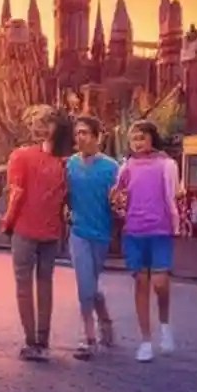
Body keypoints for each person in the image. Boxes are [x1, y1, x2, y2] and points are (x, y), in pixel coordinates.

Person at [1, 106, 73, 362]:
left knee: (24, 285)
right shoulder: (65, 162)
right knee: (45, 283)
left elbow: (16, 194)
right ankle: (43, 340)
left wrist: (7, 223)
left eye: (42, 122)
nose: (37, 126)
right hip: (51, 231)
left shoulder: (20, 156)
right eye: (34, 122)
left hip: (25, 229)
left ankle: (31, 341)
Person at [111, 119, 181, 363]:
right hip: (134, 232)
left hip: (160, 231)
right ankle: (145, 341)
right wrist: (117, 204)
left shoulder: (166, 164)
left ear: (152, 138)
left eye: (142, 137)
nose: (138, 143)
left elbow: (174, 193)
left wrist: (177, 221)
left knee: (160, 284)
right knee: (141, 283)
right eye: (134, 139)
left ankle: (165, 326)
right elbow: (116, 194)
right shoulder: (126, 167)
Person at [66, 115, 119, 360]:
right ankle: (88, 338)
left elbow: (120, 201)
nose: (80, 137)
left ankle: (105, 321)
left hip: (102, 233)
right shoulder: (69, 165)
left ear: (98, 137)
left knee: (92, 284)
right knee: (85, 286)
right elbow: (62, 194)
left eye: (85, 132)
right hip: (78, 232)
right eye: (77, 133)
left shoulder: (112, 168)